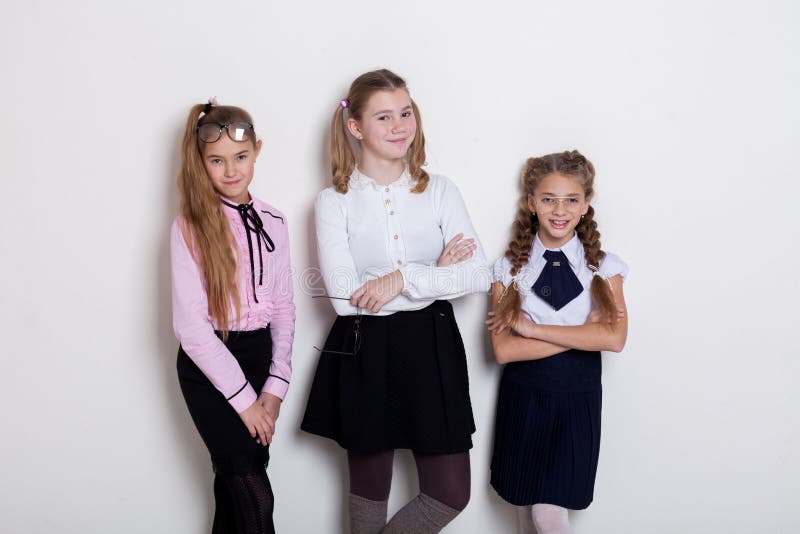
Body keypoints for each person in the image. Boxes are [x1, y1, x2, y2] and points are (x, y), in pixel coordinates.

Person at [301, 69, 490, 534]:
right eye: (384, 117)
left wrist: (401, 279)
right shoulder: (334, 201)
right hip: (364, 349)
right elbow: (346, 299)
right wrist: (436, 275)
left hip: (432, 344)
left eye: (406, 113)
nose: (400, 126)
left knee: (449, 493)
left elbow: (478, 274)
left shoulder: (441, 190)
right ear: (355, 126)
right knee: (369, 499)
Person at [486, 151, 628, 534]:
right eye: (548, 199)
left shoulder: (605, 268)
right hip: (525, 395)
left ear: (585, 206)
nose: (559, 210)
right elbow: (503, 350)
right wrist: (584, 335)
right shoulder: (509, 269)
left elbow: (614, 339)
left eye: (571, 200)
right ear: (532, 203)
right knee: (522, 505)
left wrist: (532, 330)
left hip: (575, 399)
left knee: (548, 514)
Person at [171, 100, 295, 534]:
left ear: (257, 151)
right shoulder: (190, 226)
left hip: (258, 357)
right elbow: (192, 329)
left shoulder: (276, 221)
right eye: (217, 161)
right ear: (200, 162)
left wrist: (276, 386)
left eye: (240, 157)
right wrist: (245, 402)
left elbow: (283, 308)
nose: (230, 171)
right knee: (257, 501)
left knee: (233, 499)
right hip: (209, 367)